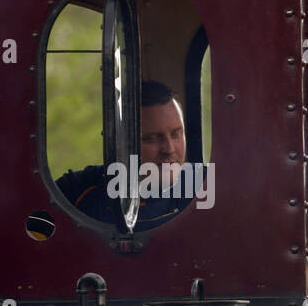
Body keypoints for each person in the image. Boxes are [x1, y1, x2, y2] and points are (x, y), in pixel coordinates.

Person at [55, 80, 210, 231]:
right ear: (120, 142)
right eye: (152, 138)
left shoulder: (208, 187)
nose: (169, 149)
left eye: (176, 134)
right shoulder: (75, 193)